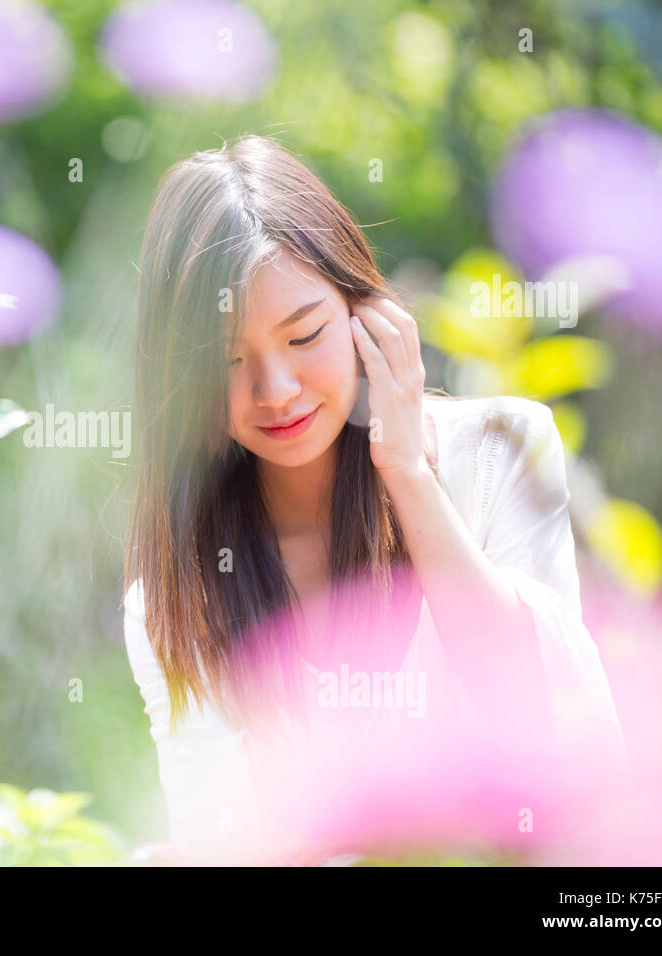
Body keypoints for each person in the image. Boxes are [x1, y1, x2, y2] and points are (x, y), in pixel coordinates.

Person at [122, 134, 625, 864]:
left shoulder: (499, 453)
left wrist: (409, 477)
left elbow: (551, 724)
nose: (276, 390)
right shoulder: (179, 596)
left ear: (369, 315)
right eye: (228, 361)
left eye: (305, 336)